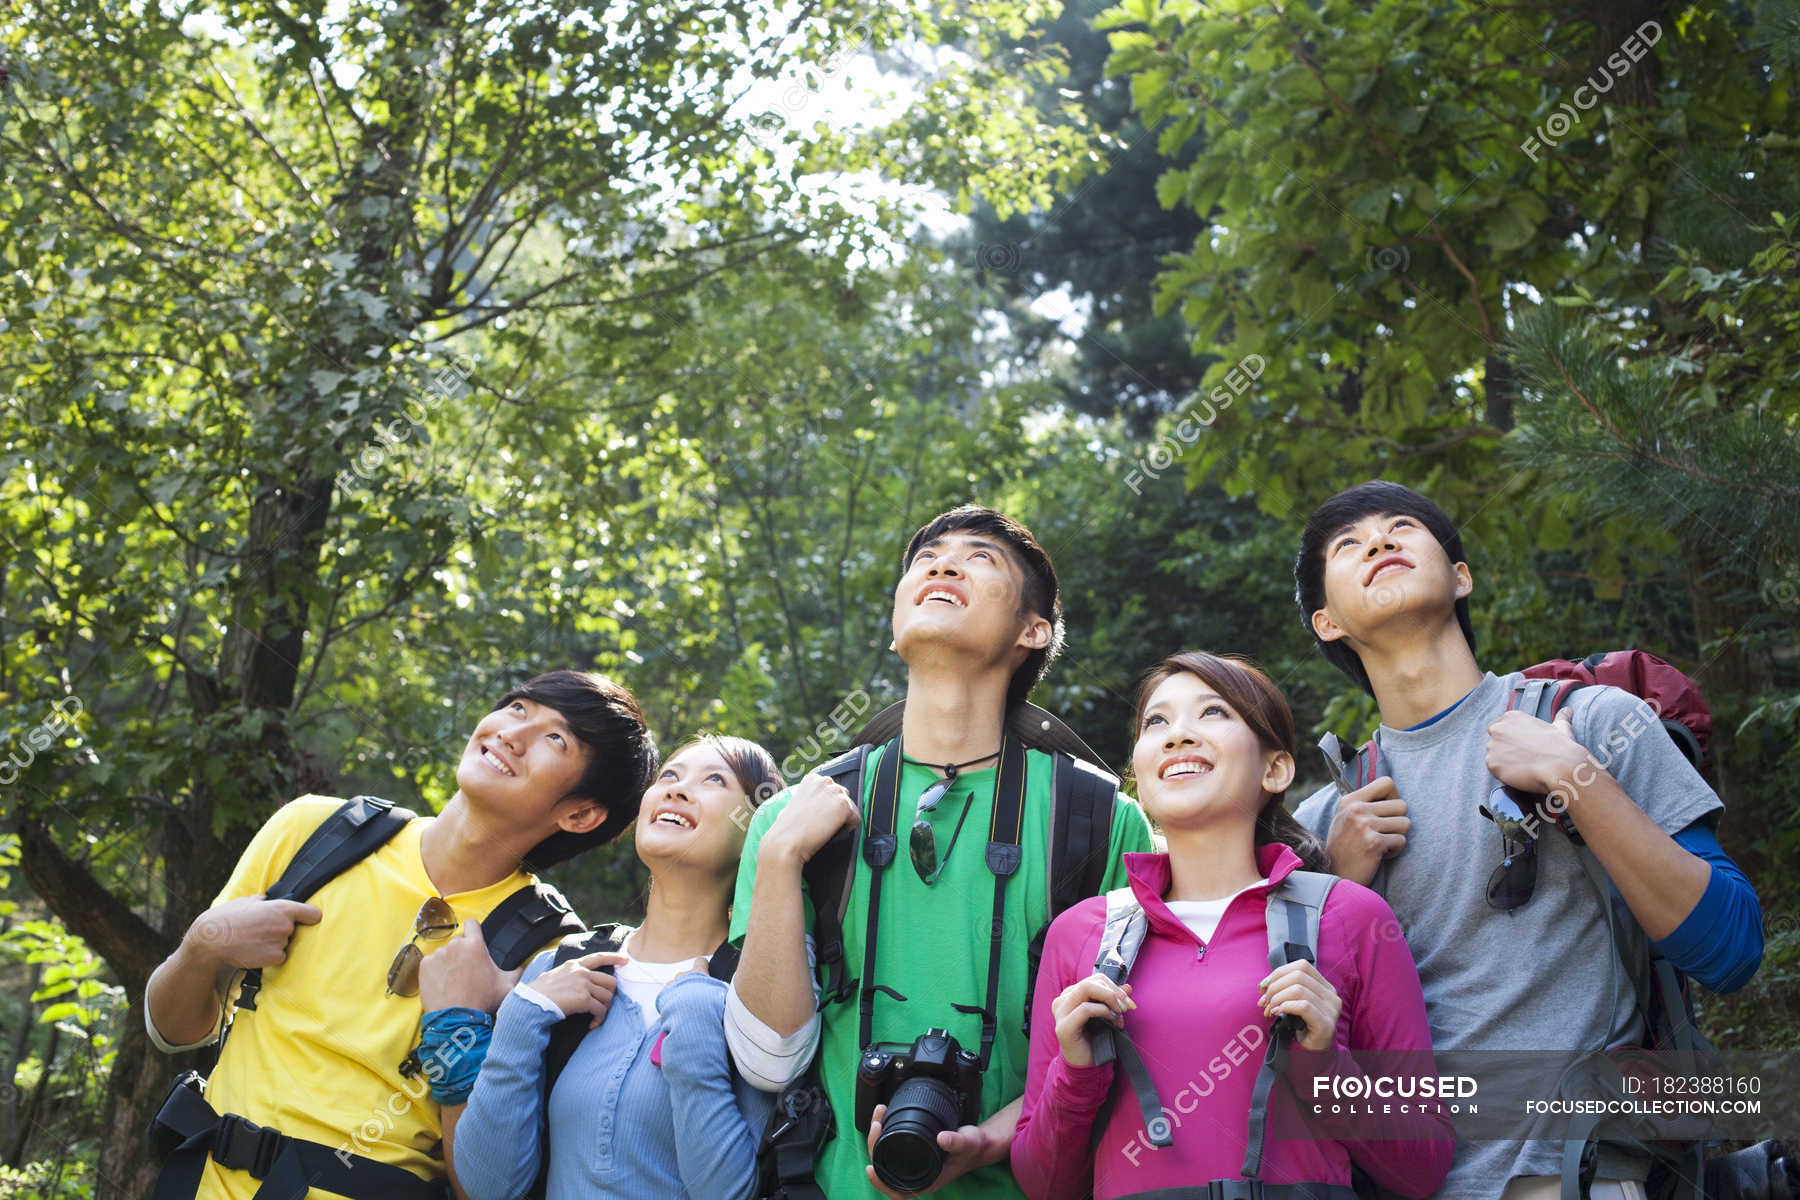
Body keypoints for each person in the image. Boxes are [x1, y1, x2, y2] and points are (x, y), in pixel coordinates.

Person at [1290, 480, 1764, 1199]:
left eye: (1402, 528)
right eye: (1348, 546)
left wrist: (1577, 778)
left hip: (1585, 1175)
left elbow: (1731, 950)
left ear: (1461, 576)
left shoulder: (1594, 723)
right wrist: (1339, 891)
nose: (1380, 543)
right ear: (1326, 623)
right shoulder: (1325, 822)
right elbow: (1290, 1051)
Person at [727, 505, 1156, 1200]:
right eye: (927, 558)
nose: (944, 564)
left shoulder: (1101, 820)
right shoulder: (794, 820)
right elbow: (769, 1061)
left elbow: (1133, 1048)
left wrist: (996, 1136)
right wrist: (779, 862)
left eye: (980, 558)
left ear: (1033, 630)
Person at [144, 670, 658, 1200]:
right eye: (519, 708)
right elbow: (171, 1031)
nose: (512, 732)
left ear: (579, 814)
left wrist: (457, 1025)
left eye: (556, 738)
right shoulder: (315, 834)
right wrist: (202, 945)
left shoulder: (547, 954)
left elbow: (481, 1186)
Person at [1013, 651, 1452, 1200]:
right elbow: (1041, 1184)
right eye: (1157, 722)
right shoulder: (1080, 933)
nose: (1177, 736)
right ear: (1138, 776)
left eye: (1213, 712)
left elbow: (1424, 1167)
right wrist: (1075, 1073)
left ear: (1276, 769)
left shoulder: (1353, 916)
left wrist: (1324, 1067)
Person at [451, 735, 781, 1199]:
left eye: (714, 780)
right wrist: (522, 1016)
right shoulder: (560, 967)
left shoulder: (758, 989)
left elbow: (728, 1192)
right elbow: (488, 1186)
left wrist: (695, 1013)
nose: (677, 789)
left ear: (757, 824)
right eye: (669, 775)